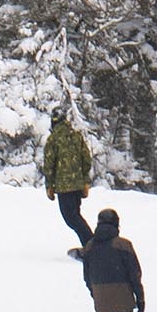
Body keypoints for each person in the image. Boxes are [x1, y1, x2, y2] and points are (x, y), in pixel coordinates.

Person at [41, 108, 92, 255]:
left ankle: (92, 246)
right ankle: (91, 245)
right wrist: (84, 180)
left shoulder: (53, 139)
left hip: (64, 188)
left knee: (72, 219)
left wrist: (49, 186)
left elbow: (49, 165)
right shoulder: (76, 136)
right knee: (76, 216)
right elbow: (86, 159)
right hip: (77, 186)